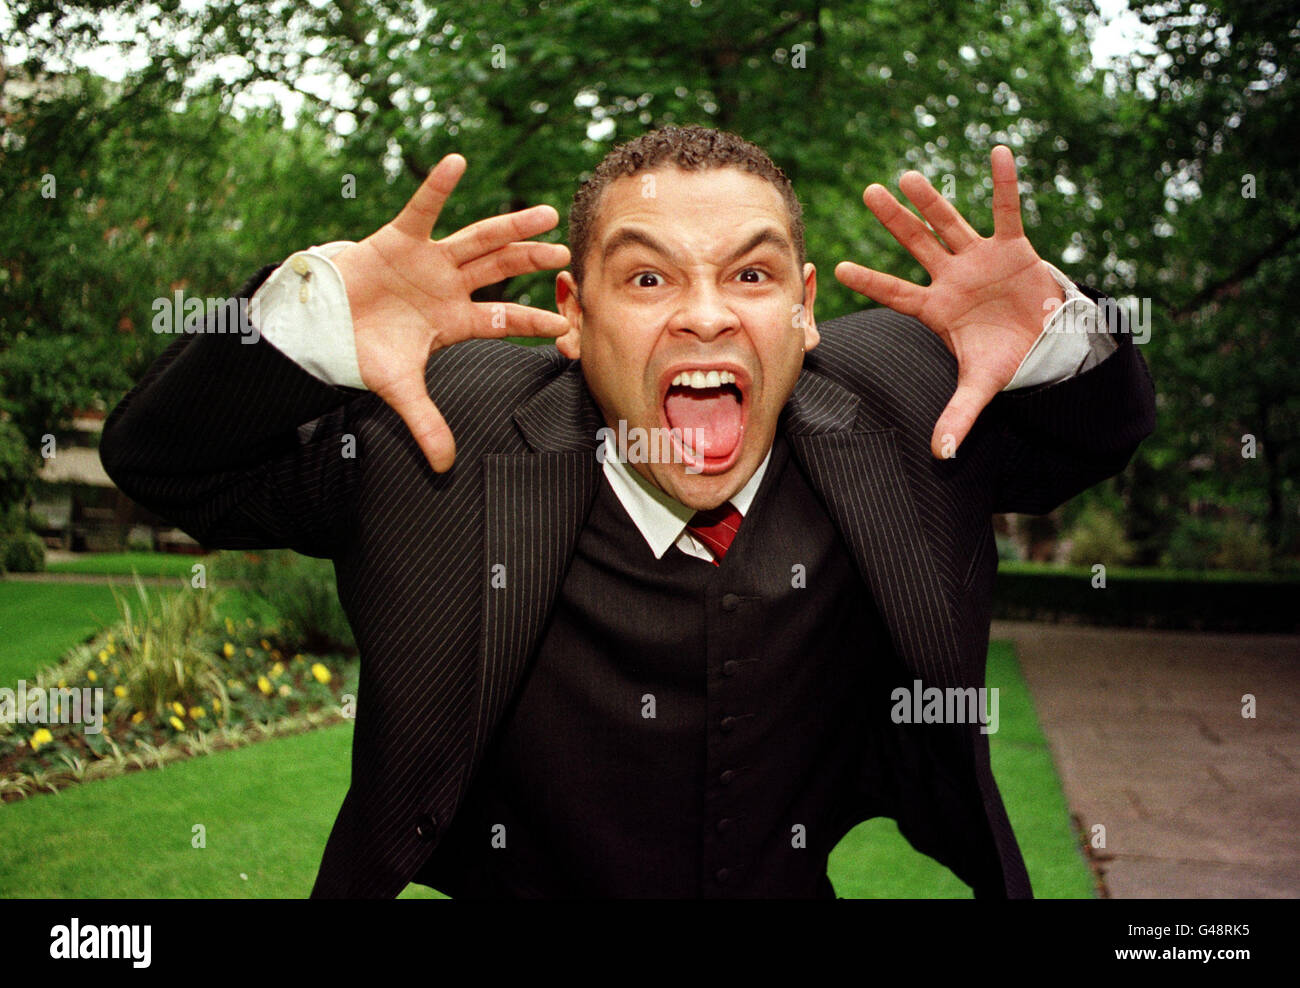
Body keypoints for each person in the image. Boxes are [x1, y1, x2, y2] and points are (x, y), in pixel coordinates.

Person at [100, 125, 1155, 898]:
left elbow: (1096, 433)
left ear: (802, 314)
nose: (703, 313)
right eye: (646, 276)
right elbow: (165, 465)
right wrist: (314, 316)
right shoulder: (437, 436)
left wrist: (1060, 333)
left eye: (750, 272)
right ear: (574, 315)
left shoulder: (905, 409)